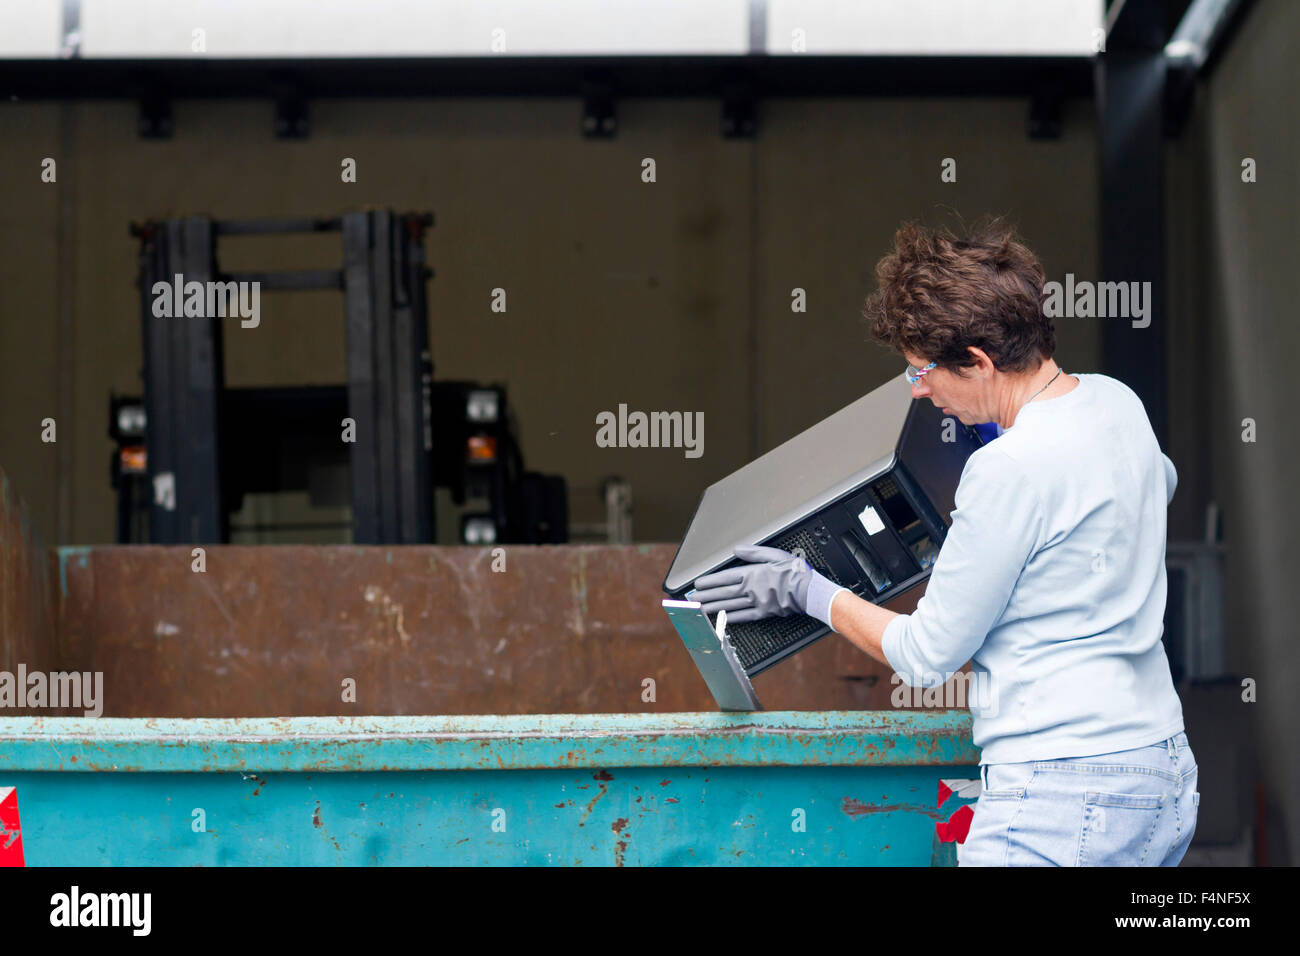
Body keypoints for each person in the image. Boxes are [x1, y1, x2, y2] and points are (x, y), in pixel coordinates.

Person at [692, 219, 1198, 866]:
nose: (921, 390)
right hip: (1161, 777)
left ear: (980, 362)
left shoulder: (1008, 470)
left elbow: (928, 654)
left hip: (1062, 797)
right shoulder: (1116, 402)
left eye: (922, 372)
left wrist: (807, 589)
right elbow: (1158, 483)